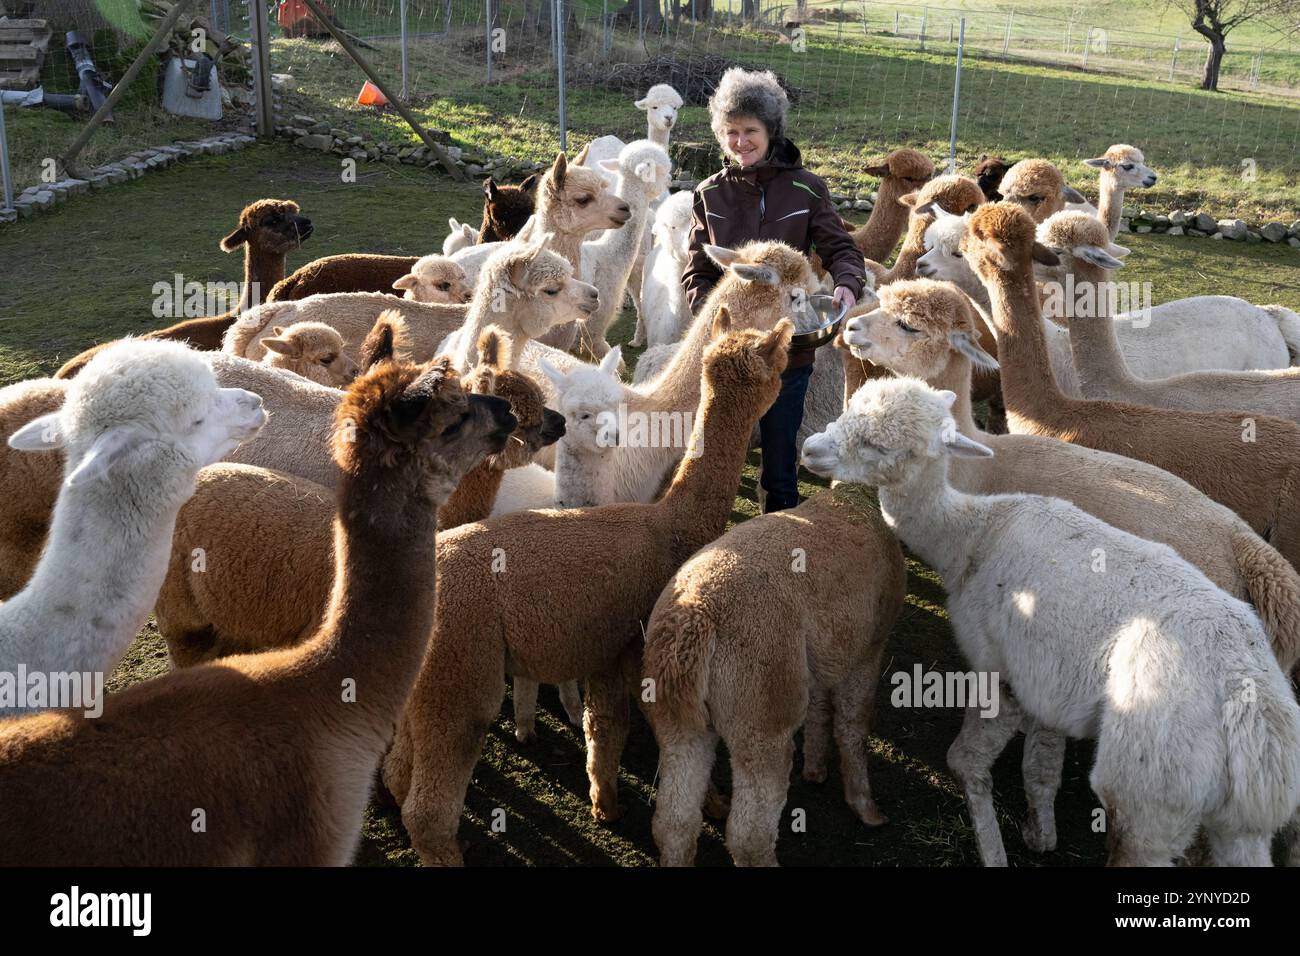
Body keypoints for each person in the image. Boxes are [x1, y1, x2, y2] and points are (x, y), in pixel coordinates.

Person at [681, 67, 867, 513]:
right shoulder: (709, 195)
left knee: (781, 450)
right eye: (731, 132)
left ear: (771, 131)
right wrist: (711, 316)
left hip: (788, 348)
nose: (740, 142)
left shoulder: (805, 189)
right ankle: (703, 519)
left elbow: (841, 249)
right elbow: (697, 270)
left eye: (751, 131)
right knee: (719, 441)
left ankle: (779, 515)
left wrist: (847, 286)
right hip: (730, 351)